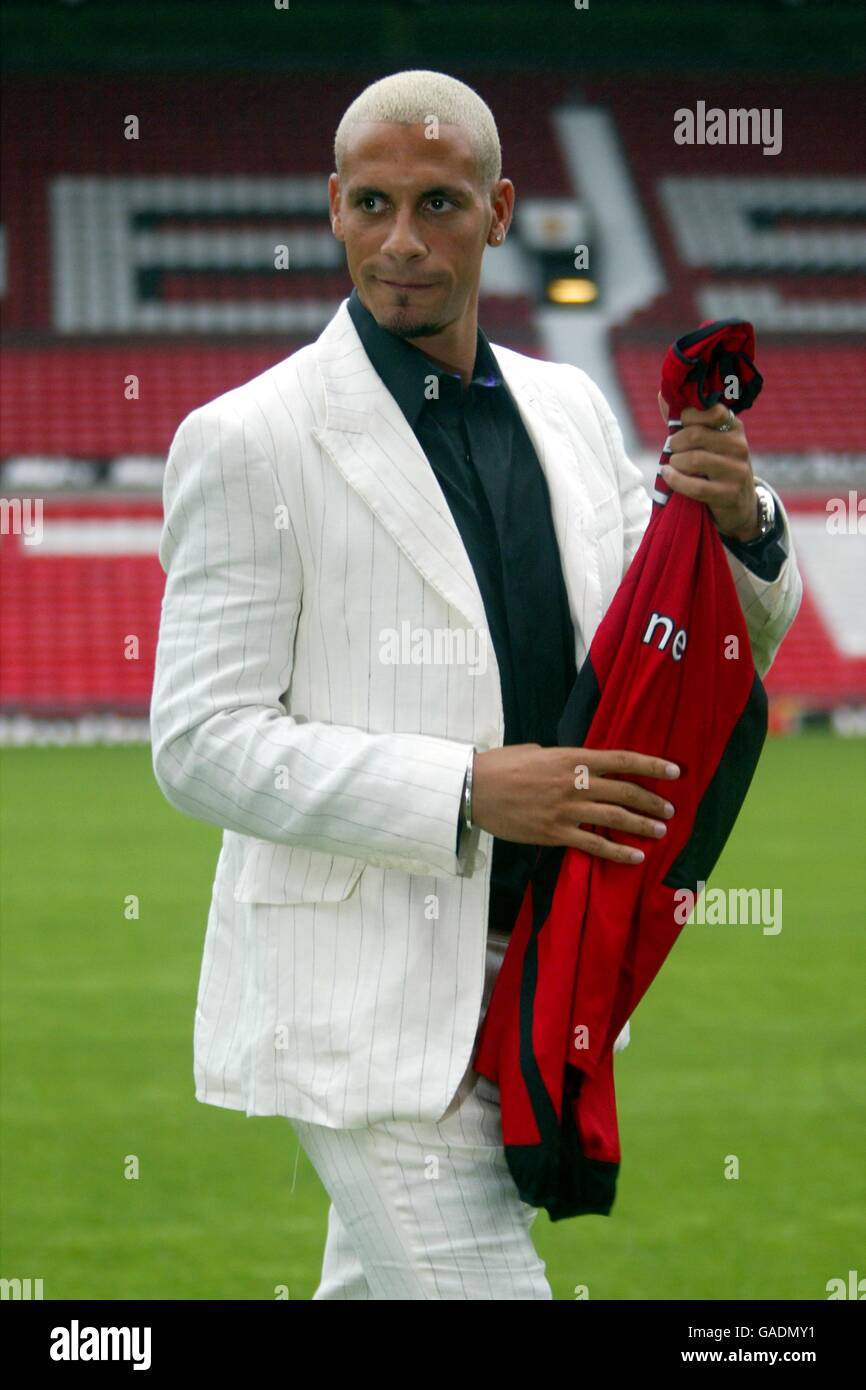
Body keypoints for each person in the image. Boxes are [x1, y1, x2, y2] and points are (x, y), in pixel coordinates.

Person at [150, 69, 802, 1300]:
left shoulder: (566, 410)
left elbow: (697, 653)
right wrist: (464, 788)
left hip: (539, 973)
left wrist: (743, 525)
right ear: (333, 207)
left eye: (439, 203)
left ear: (499, 210)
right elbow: (198, 741)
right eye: (374, 204)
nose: (402, 242)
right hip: (362, 1005)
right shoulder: (249, 438)